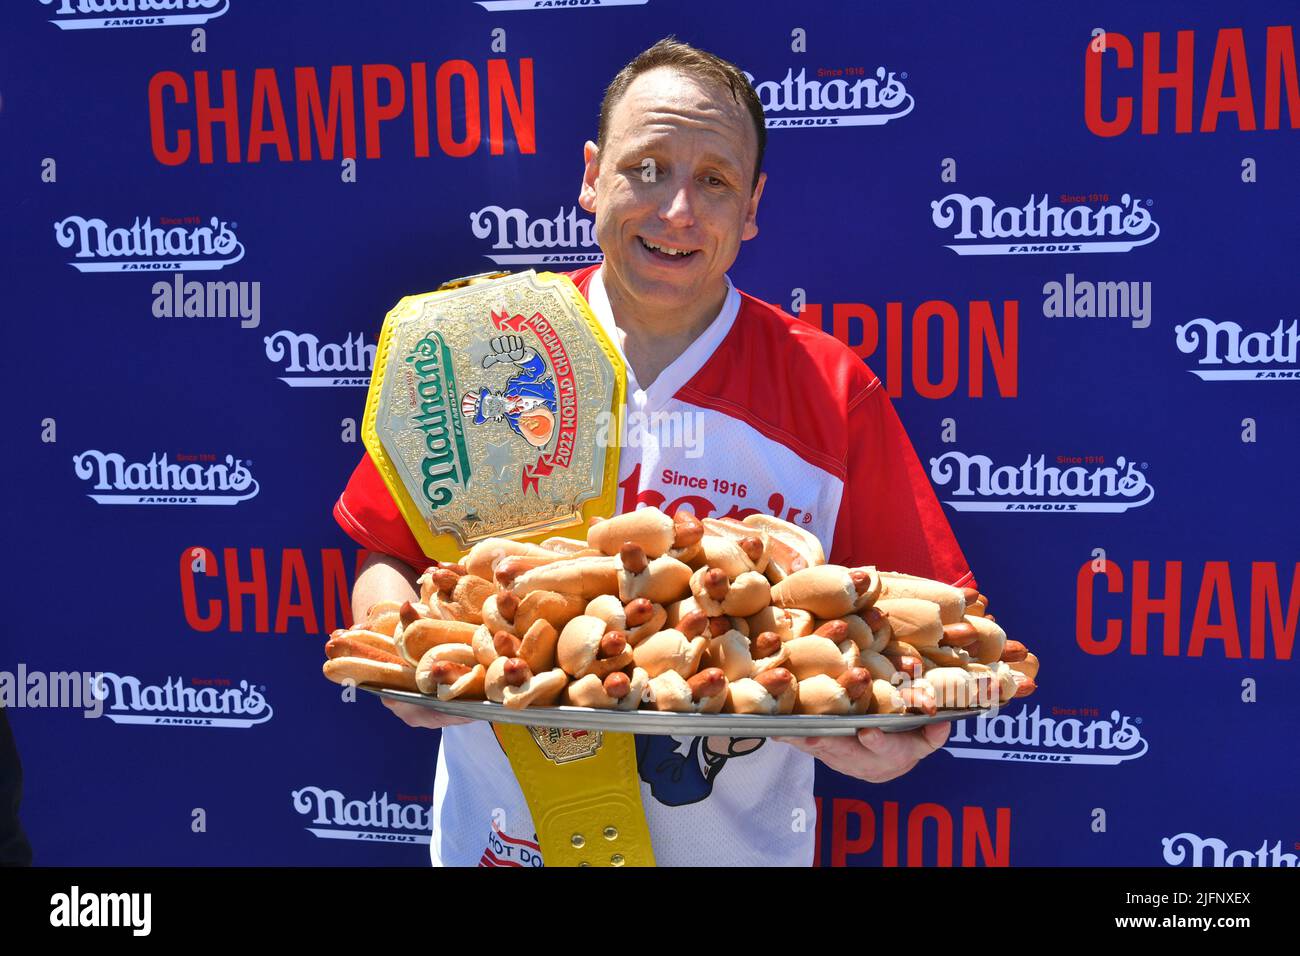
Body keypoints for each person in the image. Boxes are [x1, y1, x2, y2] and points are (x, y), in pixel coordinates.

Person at [333, 37, 977, 867]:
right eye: (647, 168)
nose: (677, 210)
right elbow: (386, 552)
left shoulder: (829, 387)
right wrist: (399, 653)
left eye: (714, 181)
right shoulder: (473, 347)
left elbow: (936, 633)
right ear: (592, 175)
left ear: (751, 207)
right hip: (500, 847)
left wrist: (912, 731)